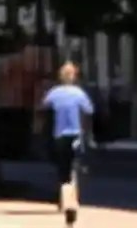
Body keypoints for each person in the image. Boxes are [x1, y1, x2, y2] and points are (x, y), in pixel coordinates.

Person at [40, 61, 95, 226]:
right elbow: (89, 110)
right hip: (75, 135)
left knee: (63, 171)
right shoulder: (79, 93)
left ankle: (65, 202)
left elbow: (45, 105)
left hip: (59, 136)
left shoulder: (54, 93)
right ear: (74, 76)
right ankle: (73, 203)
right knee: (74, 167)